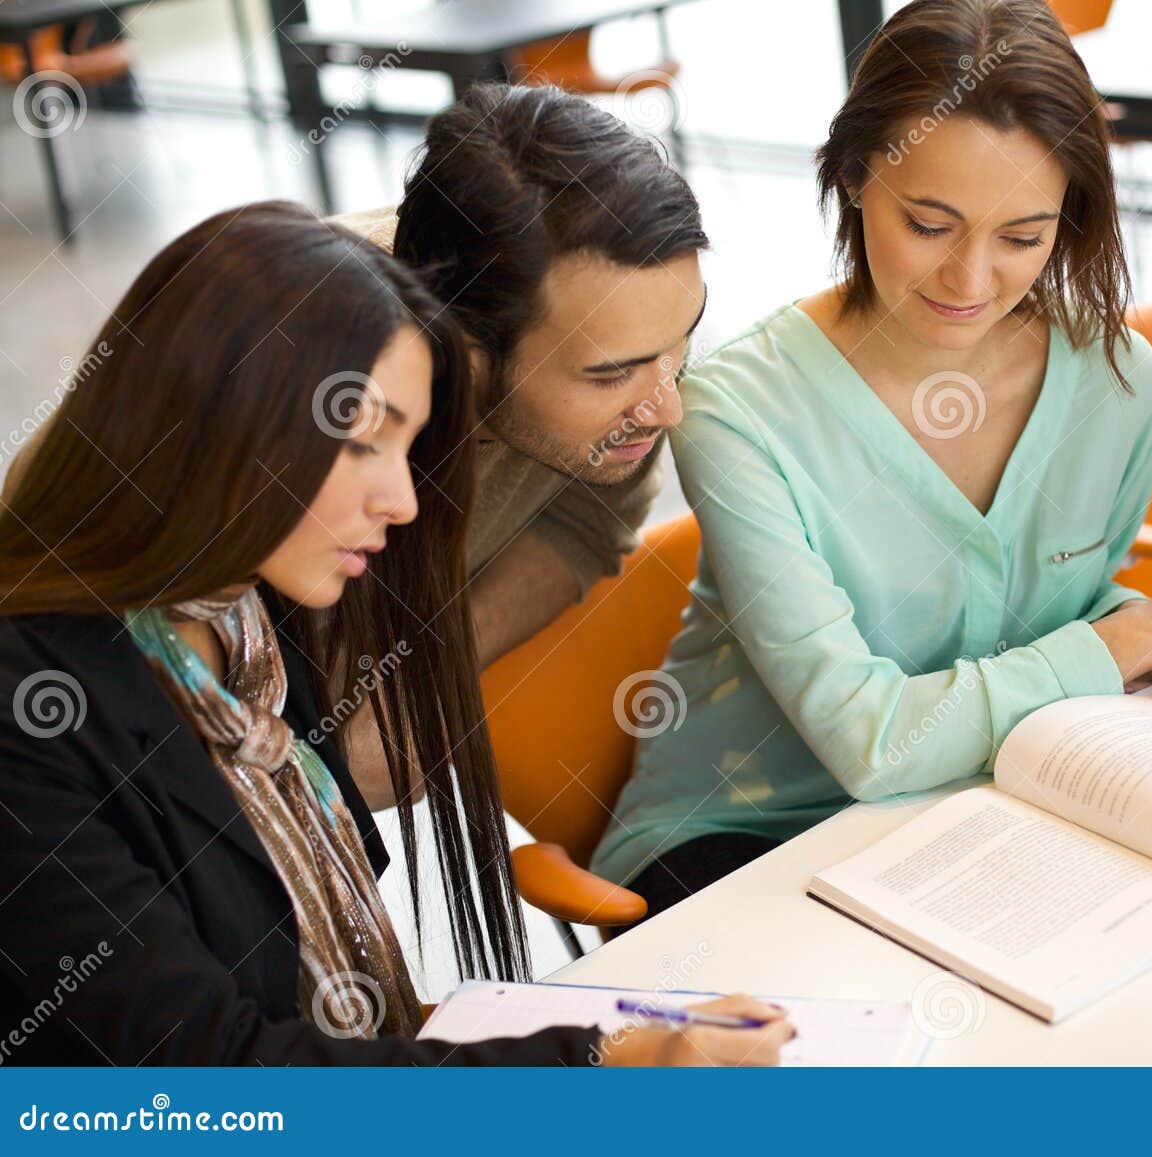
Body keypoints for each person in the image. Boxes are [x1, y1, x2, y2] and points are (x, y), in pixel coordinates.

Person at [0, 202, 791, 1065]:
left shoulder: (244, 620)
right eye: (359, 441)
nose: (403, 502)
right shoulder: (31, 721)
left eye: (406, 448)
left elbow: (315, 1006)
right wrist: (596, 1061)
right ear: (220, 417)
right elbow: (208, 1081)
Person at [589, 0, 1152, 915]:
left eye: (1022, 237)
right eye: (928, 224)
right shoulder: (736, 409)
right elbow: (872, 745)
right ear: (851, 176)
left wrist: (1149, 647)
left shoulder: (1118, 380)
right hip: (748, 838)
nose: (969, 282)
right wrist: (1140, 636)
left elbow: (1057, 611)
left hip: (982, 800)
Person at [328, 83, 709, 808]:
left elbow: (587, 518)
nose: (668, 405)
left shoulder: (620, 339)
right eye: (611, 375)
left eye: (680, 341)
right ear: (466, 356)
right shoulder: (293, 399)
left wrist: (431, 668)